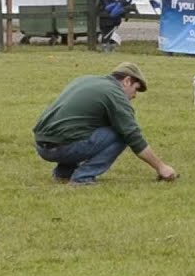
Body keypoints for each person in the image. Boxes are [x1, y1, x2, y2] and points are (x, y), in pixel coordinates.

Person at [32, 62, 177, 186]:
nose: (134, 96)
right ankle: (83, 178)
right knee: (122, 134)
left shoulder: (85, 80)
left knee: (80, 128)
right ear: (127, 81)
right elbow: (133, 136)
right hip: (63, 148)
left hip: (42, 145)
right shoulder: (114, 94)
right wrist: (161, 167)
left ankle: (64, 174)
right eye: (136, 89)